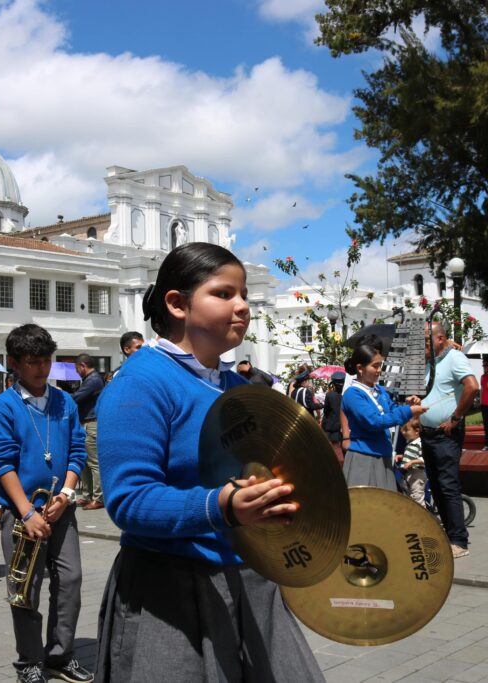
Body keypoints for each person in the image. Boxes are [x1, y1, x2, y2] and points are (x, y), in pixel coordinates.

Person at [96, 242, 324, 682]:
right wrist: (220, 506)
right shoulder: (140, 382)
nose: (242, 306)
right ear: (178, 304)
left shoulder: (233, 386)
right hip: (171, 591)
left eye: (243, 295)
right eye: (224, 294)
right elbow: (128, 500)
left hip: (249, 580)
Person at [0, 323, 91, 683]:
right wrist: (27, 512)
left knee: (71, 580)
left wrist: (66, 494)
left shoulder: (65, 401)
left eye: (46, 360)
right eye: (32, 362)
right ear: (14, 363)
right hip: (21, 514)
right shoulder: (3, 406)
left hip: (61, 508)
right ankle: (29, 661)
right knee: (24, 588)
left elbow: (77, 451)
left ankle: (60, 655)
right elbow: (2, 462)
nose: (42, 368)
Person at [420, 322, 479, 559]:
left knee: (448, 485)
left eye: (426, 339)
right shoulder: (431, 361)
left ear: (441, 339)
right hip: (428, 433)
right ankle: (449, 535)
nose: (422, 344)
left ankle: (459, 540)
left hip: (446, 434)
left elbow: (472, 387)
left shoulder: (454, 358)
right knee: (436, 485)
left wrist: (455, 418)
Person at [341, 342, 426, 491]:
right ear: (360, 368)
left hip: (383, 454)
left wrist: (407, 405)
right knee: (366, 507)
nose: (379, 370)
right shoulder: (352, 394)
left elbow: (391, 410)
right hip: (364, 457)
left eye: (380, 365)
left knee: (384, 508)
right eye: (375, 366)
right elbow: (374, 422)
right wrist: (408, 411)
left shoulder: (378, 390)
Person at [72, 354, 104, 510]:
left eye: (77, 368)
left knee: (94, 462)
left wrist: (61, 395)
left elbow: (76, 398)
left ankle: (98, 498)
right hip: (85, 423)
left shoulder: (93, 380)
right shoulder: (89, 380)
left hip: (92, 424)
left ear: (82, 365)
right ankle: (87, 495)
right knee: (84, 462)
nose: (77, 371)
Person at [396, 419, 427, 506]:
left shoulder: (420, 443)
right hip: (410, 474)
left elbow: (424, 459)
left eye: (406, 430)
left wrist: (411, 462)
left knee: (417, 498)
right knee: (410, 497)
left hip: (418, 474)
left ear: (417, 431)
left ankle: (422, 517)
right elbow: (411, 455)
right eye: (403, 431)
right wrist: (401, 456)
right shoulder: (410, 443)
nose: (403, 433)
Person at [322, 371, 345, 456]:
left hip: (333, 429)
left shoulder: (330, 395)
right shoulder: (348, 394)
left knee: (334, 454)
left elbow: (326, 411)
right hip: (345, 428)